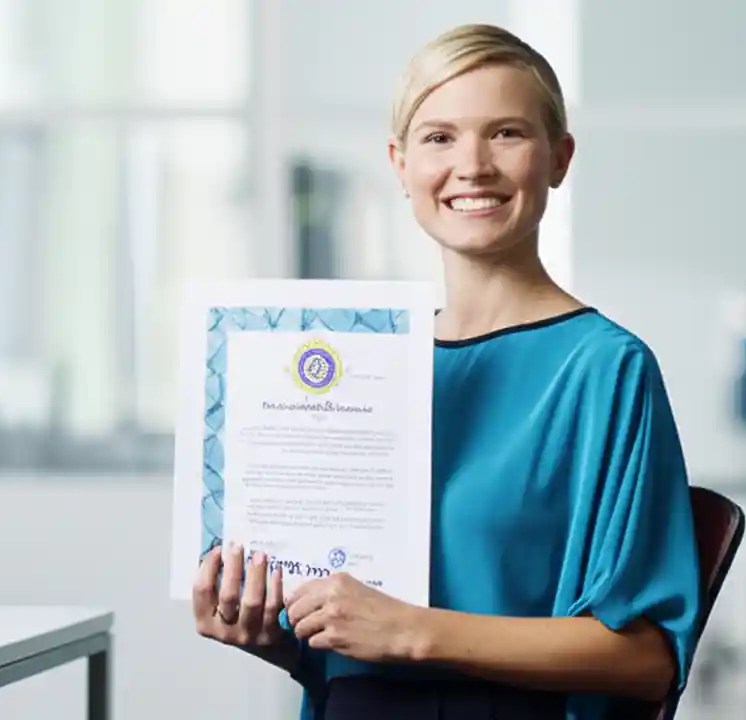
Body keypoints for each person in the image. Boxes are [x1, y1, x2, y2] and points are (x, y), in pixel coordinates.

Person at [191, 22, 702, 720]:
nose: (473, 165)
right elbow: (355, 651)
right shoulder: (364, 371)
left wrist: (412, 630)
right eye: (440, 137)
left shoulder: (605, 370)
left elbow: (646, 661)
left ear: (559, 157)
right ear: (400, 164)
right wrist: (273, 634)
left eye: (506, 133)